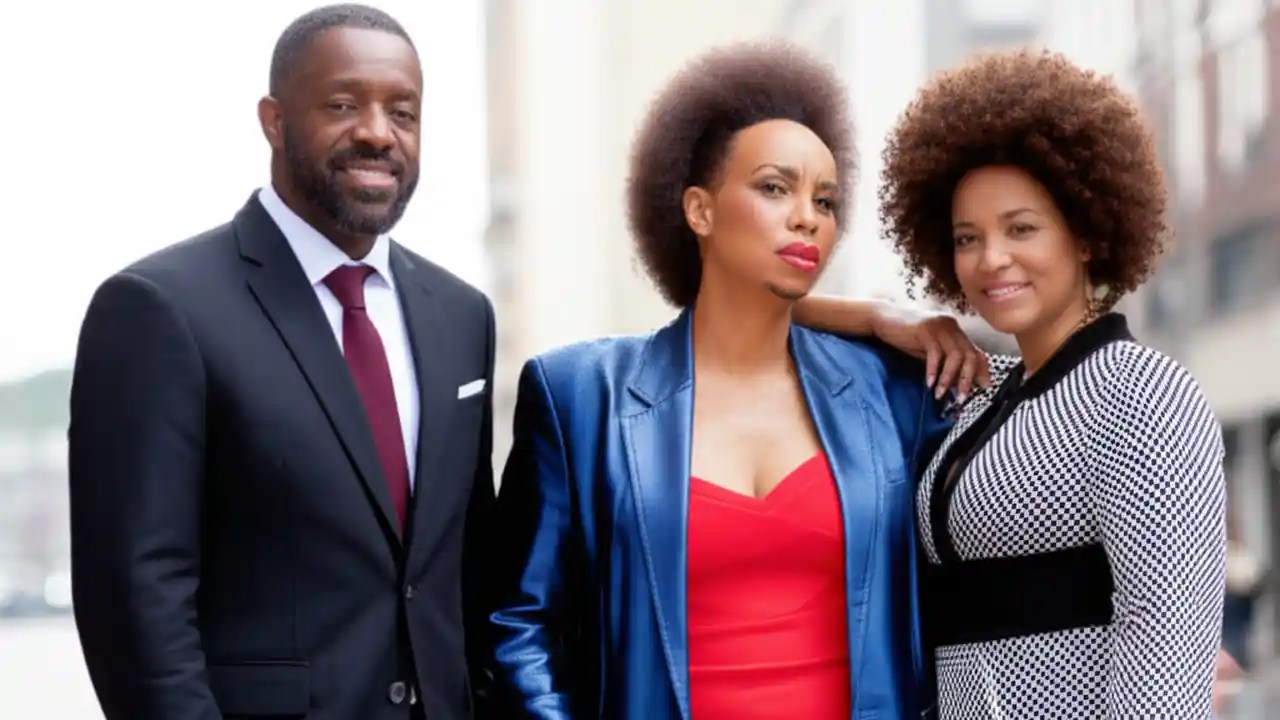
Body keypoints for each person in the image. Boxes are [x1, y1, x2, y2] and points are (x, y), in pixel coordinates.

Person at [483, 42, 983, 720]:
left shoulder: (893, 394)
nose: (807, 215)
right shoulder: (579, 396)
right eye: (775, 187)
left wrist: (876, 316)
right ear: (700, 210)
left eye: (826, 200)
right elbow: (517, 627)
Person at [68, 5, 494, 719]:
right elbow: (136, 602)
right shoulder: (159, 310)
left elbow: (470, 563)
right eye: (342, 104)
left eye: (404, 112)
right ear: (273, 119)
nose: (377, 132)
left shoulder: (461, 315)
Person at [801, 48, 1226, 718]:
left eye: (1021, 229)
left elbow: (1165, 636)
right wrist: (886, 315)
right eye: (967, 238)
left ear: (1085, 235)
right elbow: (754, 315)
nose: (991, 259)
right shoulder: (975, 391)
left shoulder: (1139, 390)